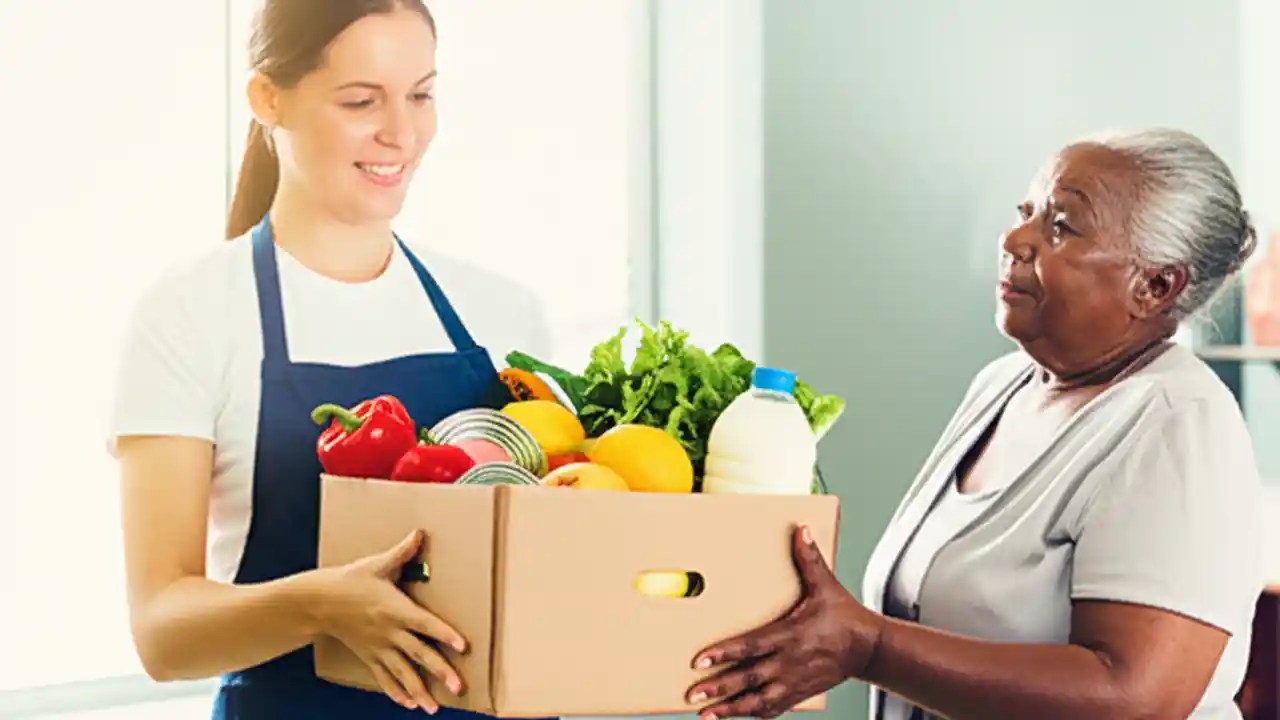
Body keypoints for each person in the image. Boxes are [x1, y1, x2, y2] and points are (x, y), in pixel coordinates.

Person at [683, 128, 1267, 720]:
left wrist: (869, 645)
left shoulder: (1176, 424)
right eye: (1026, 212)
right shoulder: (1004, 385)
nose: (1015, 239)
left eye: (1061, 226)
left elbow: (1135, 697)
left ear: (1156, 285)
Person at [109, 1, 551, 718]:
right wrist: (322, 604)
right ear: (268, 98)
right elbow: (162, 633)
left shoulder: (502, 312)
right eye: (359, 100)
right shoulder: (191, 314)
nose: (401, 134)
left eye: (421, 94)